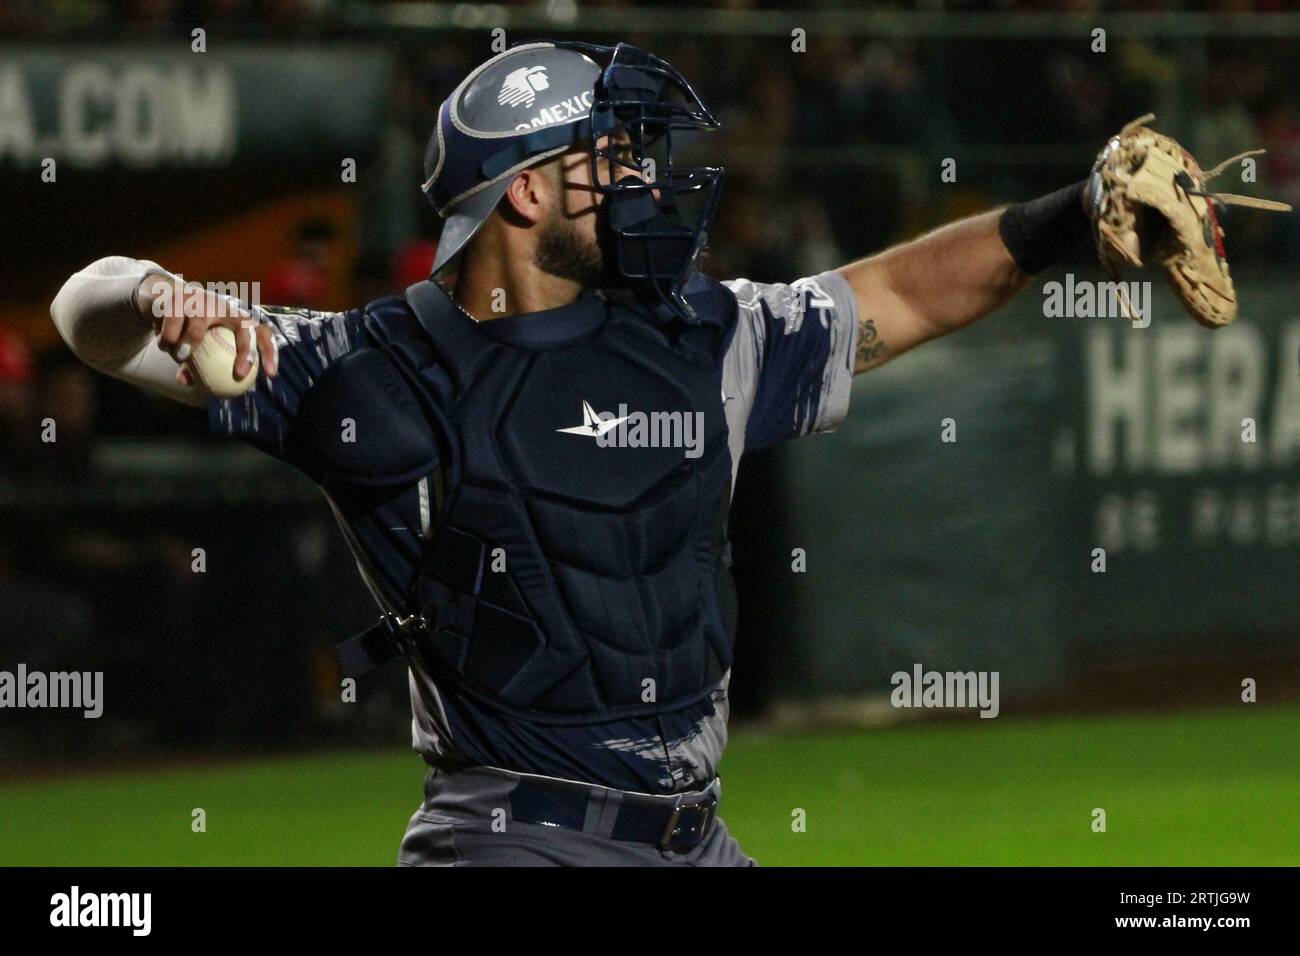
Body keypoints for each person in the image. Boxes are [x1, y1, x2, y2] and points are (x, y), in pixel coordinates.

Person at [50, 40, 1096, 866]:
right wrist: (150, 290)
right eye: (609, 156)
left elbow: (905, 290)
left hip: (697, 836)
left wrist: (1074, 216)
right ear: (526, 193)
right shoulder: (362, 368)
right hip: (512, 838)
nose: (642, 178)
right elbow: (82, 308)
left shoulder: (701, 335)